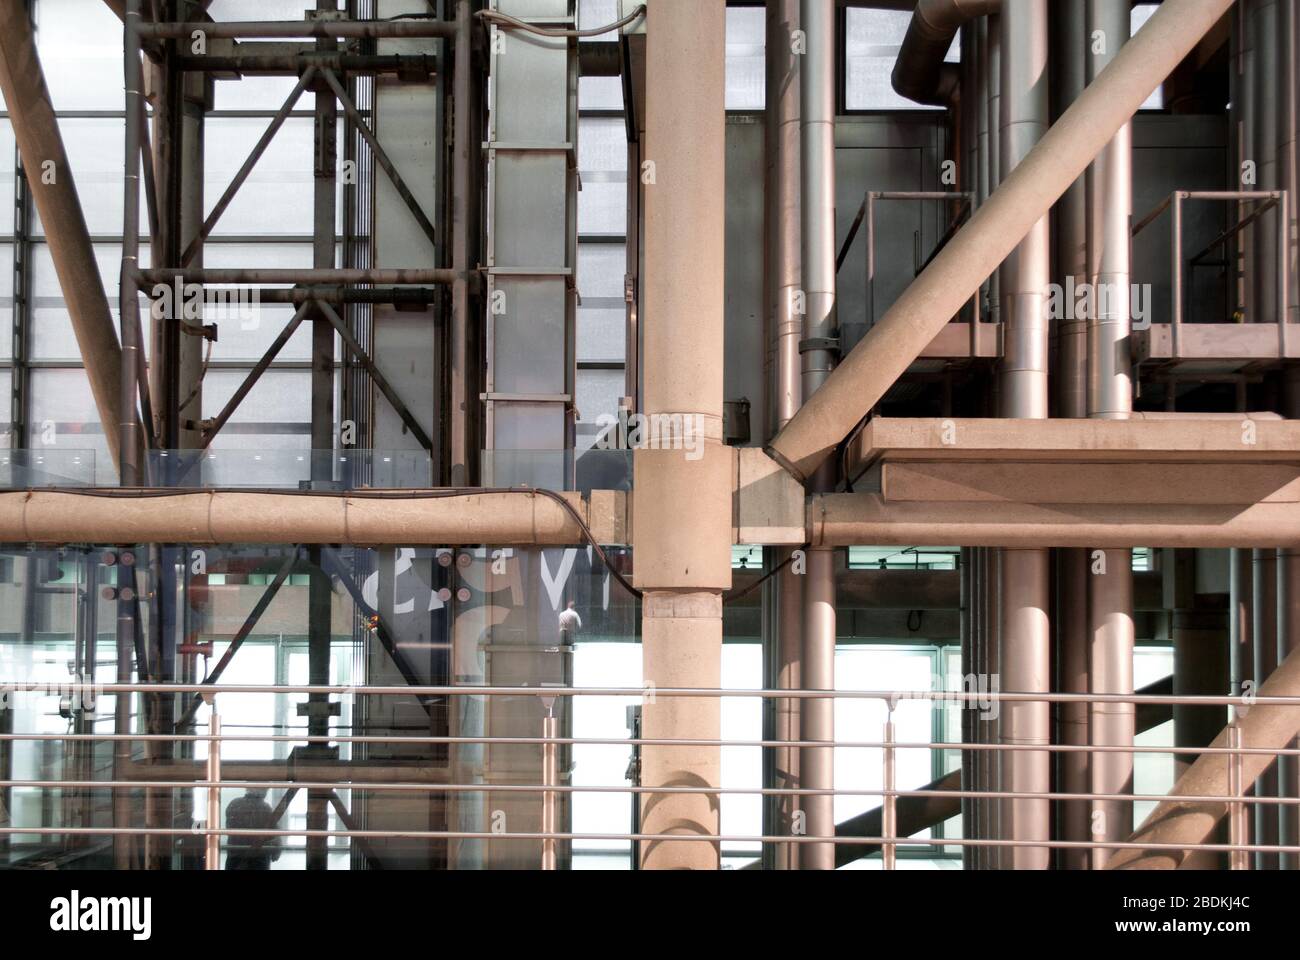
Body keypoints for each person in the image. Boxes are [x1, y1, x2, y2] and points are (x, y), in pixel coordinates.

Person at [225, 787, 282, 870]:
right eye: (265, 789)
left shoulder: (234, 804)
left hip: (236, 856)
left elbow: (230, 830)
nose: (266, 792)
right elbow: (273, 834)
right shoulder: (265, 808)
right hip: (258, 858)